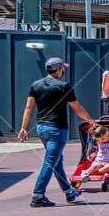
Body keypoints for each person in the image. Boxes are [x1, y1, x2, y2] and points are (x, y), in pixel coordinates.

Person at [16, 57, 94, 208]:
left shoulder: (35, 85)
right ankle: (38, 195)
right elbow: (76, 107)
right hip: (57, 129)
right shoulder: (64, 86)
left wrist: (24, 128)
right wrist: (91, 120)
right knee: (50, 161)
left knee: (56, 160)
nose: (64, 70)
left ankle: (69, 192)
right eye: (63, 68)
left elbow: (28, 108)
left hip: (41, 128)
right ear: (59, 70)